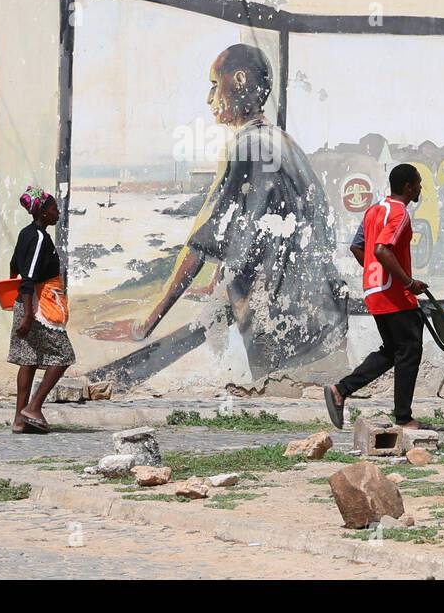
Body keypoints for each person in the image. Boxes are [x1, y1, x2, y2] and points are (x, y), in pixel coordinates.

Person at [89, 43, 347, 377]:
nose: (209, 98)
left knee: (276, 407)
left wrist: (145, 323)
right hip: (321, 322)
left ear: (238, 80)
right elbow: (255, 230)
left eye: (214, 85)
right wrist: (214, 285)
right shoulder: (281, 142)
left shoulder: (247, 146)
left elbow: (203, 240)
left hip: (287, 332)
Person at [325, 163, 429, 430]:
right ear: (408, 187)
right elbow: (382, 249)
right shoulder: (400, 213)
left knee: (393, 352)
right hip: (396, 296)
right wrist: (408, 283)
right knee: (410, 350)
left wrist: (374, 275)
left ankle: (341, 390)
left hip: (375, 293)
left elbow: (357, 247)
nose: (420, 188)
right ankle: (404, 419)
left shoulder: (374, 211)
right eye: (418, 183)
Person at [7, 186, 75, 433]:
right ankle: (34, 407)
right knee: (63, 356)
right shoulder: (39, 238)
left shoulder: (25, 234)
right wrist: (27, 315)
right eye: (54, 209)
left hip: (25, 302)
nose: (57, 213)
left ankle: (19, 420)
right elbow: (29, 276)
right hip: (38, 307)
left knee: (29, 359)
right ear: (43, 213)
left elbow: (14, 265)